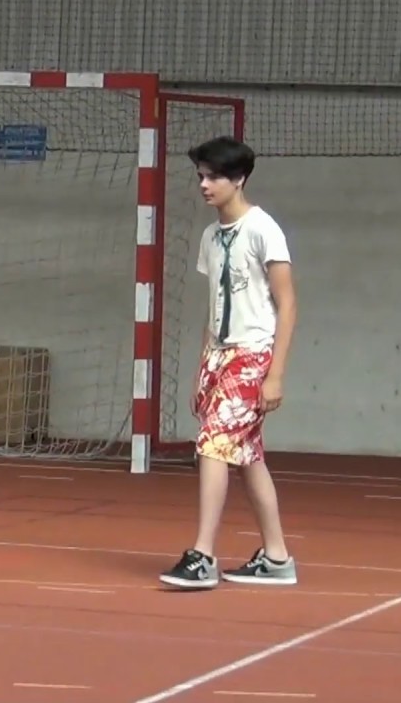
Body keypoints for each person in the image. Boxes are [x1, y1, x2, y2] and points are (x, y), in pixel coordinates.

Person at [159, 135, 298, 589]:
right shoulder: (210, 236)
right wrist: (204, 365)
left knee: (214, 446)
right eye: (201, 175)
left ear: (238, 179)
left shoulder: (263, 229)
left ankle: (203, 554)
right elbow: (215, 305)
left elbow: (287, 302)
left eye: (214, 176)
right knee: (248, 457)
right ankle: (276, 556)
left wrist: (275, 373)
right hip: (219, 356)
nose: (204, 184)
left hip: (252, 354)